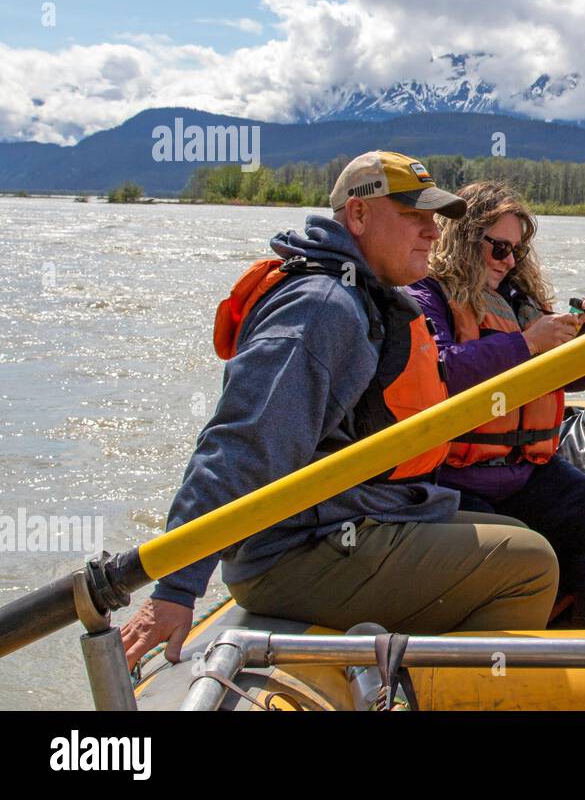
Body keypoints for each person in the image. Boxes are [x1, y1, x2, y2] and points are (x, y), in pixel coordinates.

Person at [120, 151, 560, 670]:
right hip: (294, 549)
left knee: (521, 534)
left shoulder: (365, 294)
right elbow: (241, 445)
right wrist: (176, 587)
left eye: (432, 219)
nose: (433, 234)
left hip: (349, 517)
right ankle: (442, 692)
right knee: (530, 565)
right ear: (358, 216)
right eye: (413, 217)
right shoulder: (322, 308)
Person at [407, 180, 585, 628]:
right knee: (514, 546)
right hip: (454, 476)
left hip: (526, 469)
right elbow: (440, 371)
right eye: (499, 248)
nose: (509, 261)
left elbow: (577, 378)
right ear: (466, 239)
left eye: (517, 251)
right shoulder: (424, 294)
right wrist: (526, 344)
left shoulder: (520, 301)